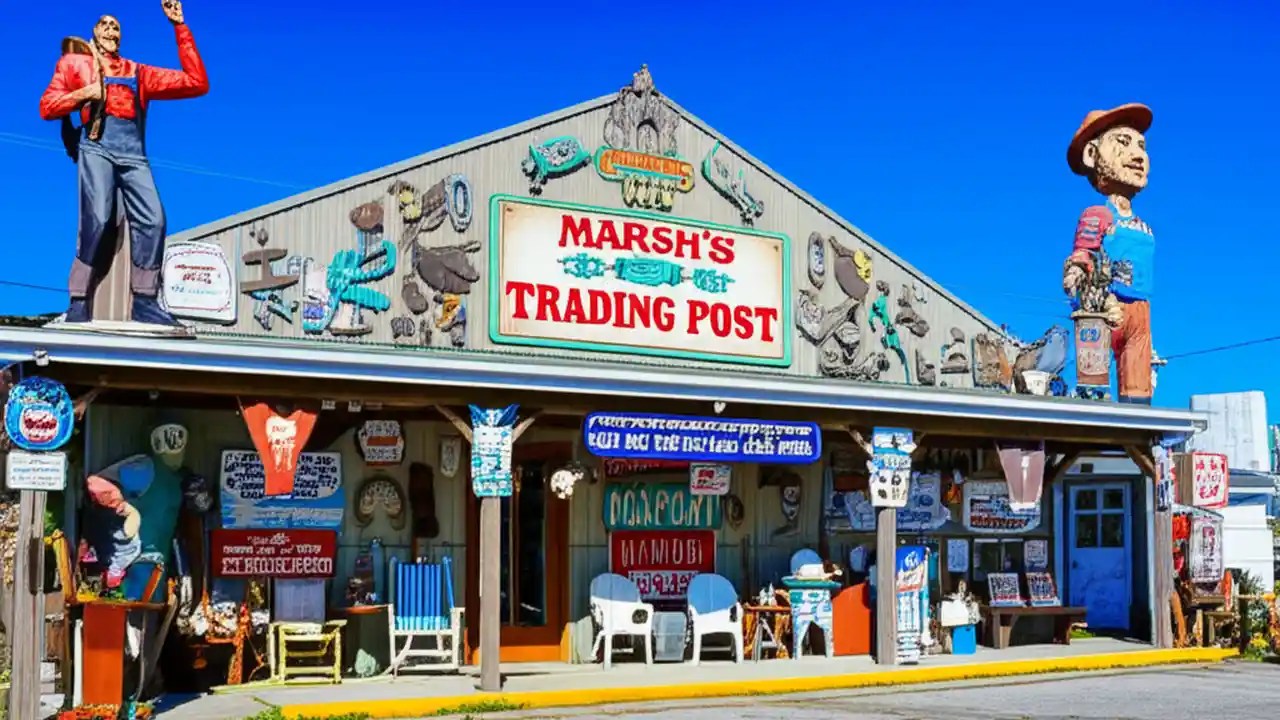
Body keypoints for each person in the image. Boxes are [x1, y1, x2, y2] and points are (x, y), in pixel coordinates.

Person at [39, 1, 209, 325]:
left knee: (154, 218)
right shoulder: (76, 63)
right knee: (99, 217)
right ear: (94, 32)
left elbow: (196, 81)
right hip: (96, 147)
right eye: (104, 24)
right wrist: (85, 93)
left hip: (134, 155)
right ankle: (78, 299)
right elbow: (48, 106)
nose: (111, 29)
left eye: (116, 26)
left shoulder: (139, 72)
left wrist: (179, 26)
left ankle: (144, 301)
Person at [1061, 104, 1156, 404]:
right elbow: (1083, 252)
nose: (1138, 156)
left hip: (1140, 312)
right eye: (1123, 144)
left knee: (1138, 391)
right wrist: (1076, 274)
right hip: (1103, 305)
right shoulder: (1098, 214)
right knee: (1094, 383)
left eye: (1141, 146)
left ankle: (1137, 424)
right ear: (1093, 154)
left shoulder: (1144, 226)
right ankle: (1095, 418)